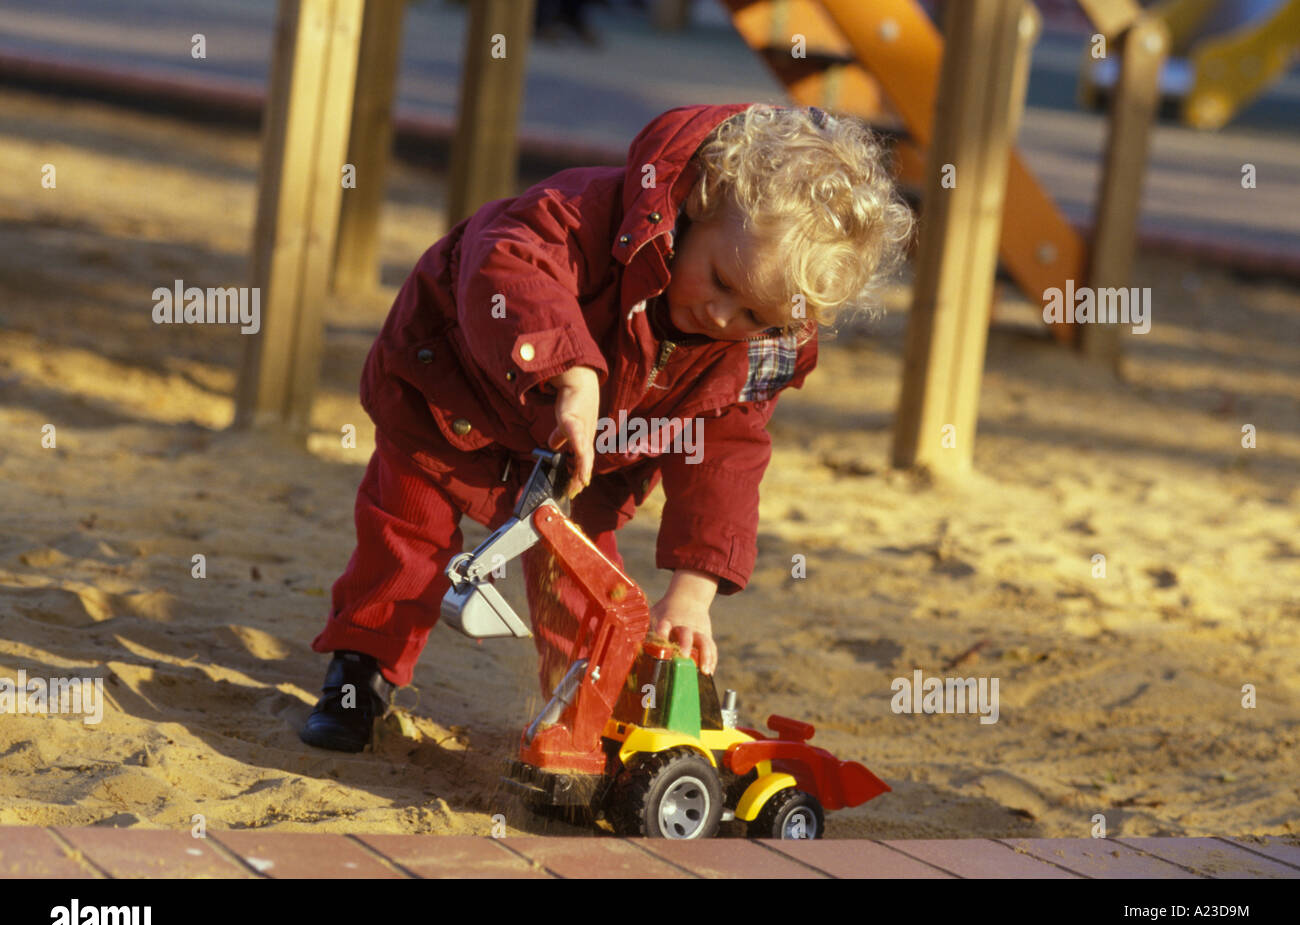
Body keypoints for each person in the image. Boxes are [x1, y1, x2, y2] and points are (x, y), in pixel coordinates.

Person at [299, 103, 914, 752]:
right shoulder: (586, 216)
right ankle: (358, 673)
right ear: (700, 202)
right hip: (450, 404)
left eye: (759, 317)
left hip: (584, 467)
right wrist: (571, 372)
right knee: (406, 542)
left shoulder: (746, 351)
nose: (724, 316)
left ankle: (583, 721)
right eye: (722, 281)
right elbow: (503, 265)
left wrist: (694, 590)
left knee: (591, 596)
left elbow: (725, 461)